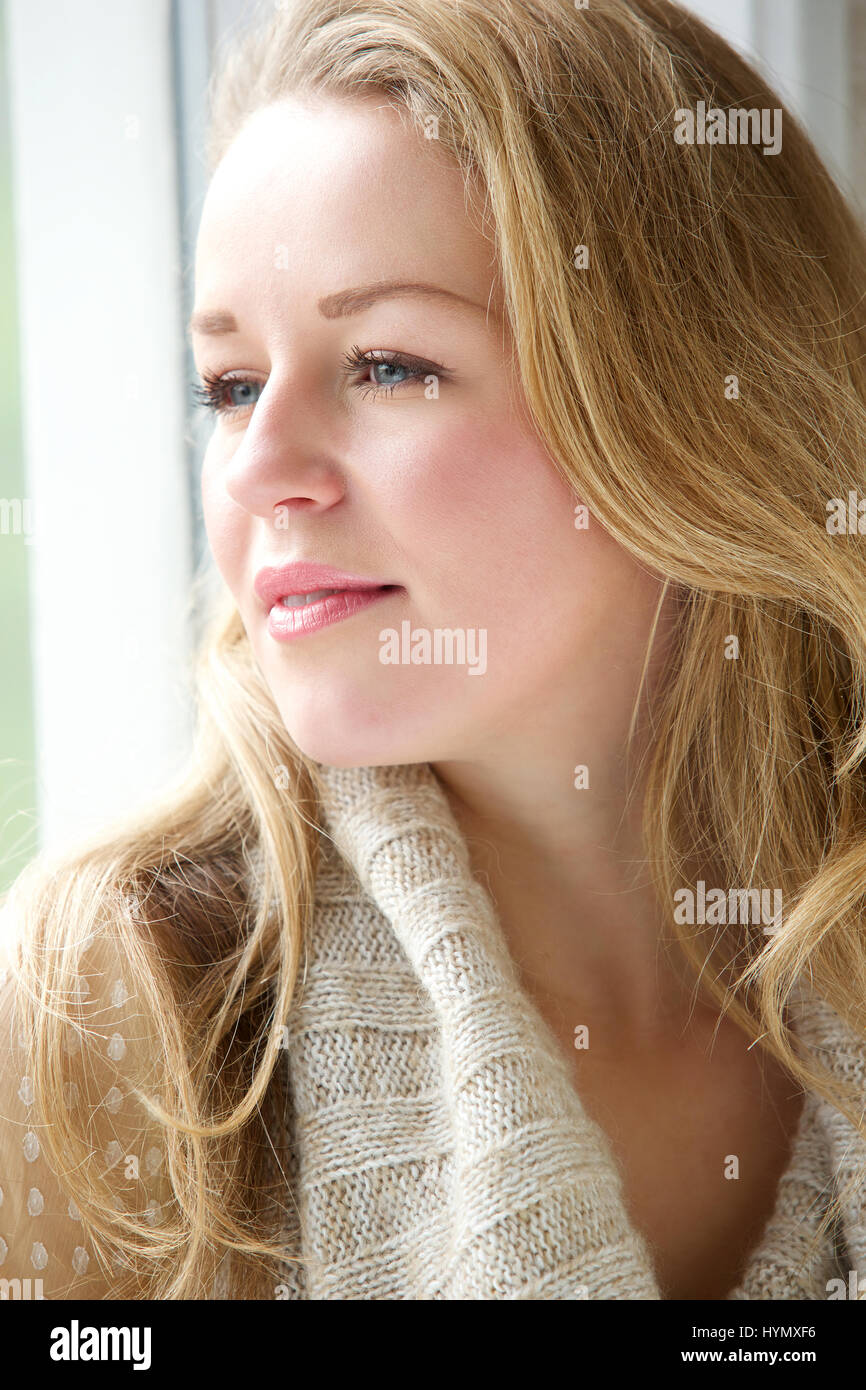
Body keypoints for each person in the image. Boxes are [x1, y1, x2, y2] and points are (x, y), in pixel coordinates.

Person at [2, 0, 866, 1302]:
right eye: (230, 385)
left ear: (686, 407)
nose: (263, 470)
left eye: (387, 363)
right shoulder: (103, 1008)